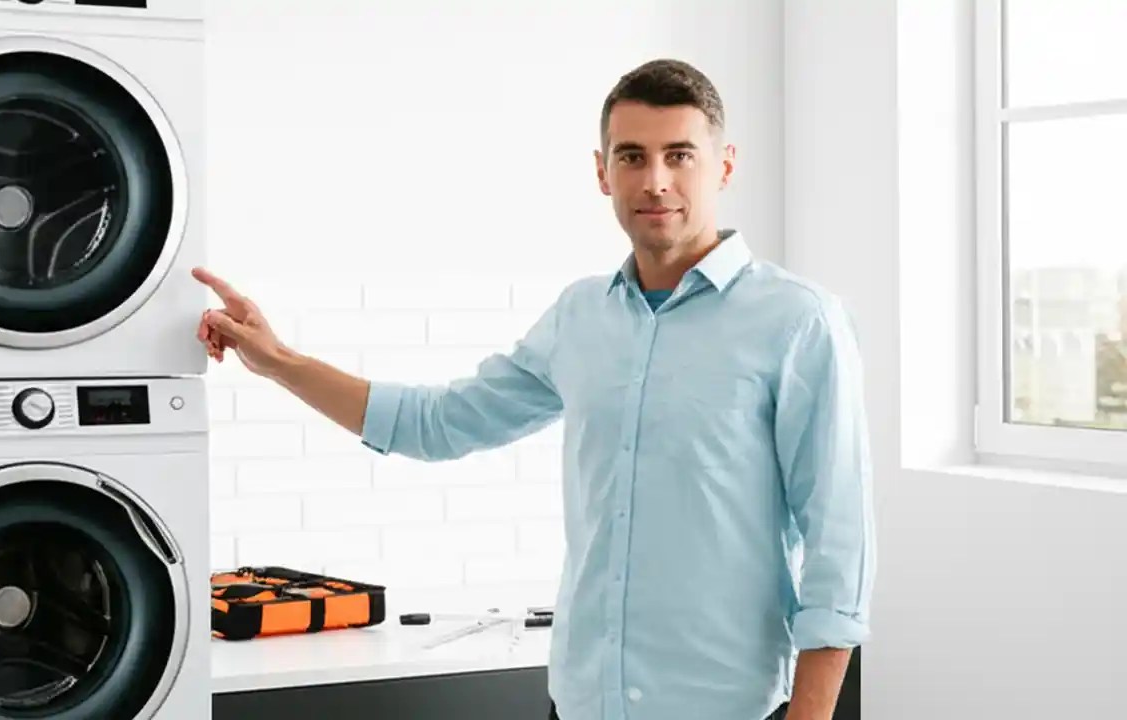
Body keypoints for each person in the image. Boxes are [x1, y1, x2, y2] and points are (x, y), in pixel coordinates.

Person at [195, 58, 875, 720]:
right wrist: (279, 360)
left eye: (680, 155)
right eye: (632, 156)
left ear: (724, 164)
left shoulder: (798, 321)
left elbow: (838, 549)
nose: (655, 180)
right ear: (602, 173)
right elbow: (435, 423)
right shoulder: (582, 317)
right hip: (582, 702)